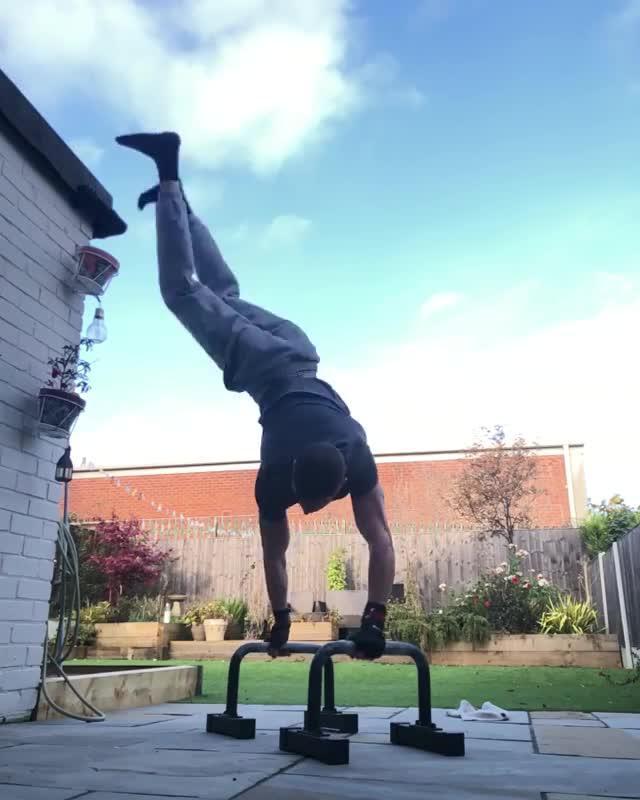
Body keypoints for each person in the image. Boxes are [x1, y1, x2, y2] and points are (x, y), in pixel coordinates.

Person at [115, 132, 396, 659]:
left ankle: (179, 207)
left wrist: (368, 620)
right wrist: (284, 617)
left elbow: (375, 539)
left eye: (316, 503)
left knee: (224, 296)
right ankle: (170, 178)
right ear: (293, 479)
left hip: (302, 349)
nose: (310, 510)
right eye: (310, 502)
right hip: (272, 364)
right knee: (183, 292)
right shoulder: (281, 478)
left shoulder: (355, 452)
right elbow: (285, 556)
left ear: (340, 474)